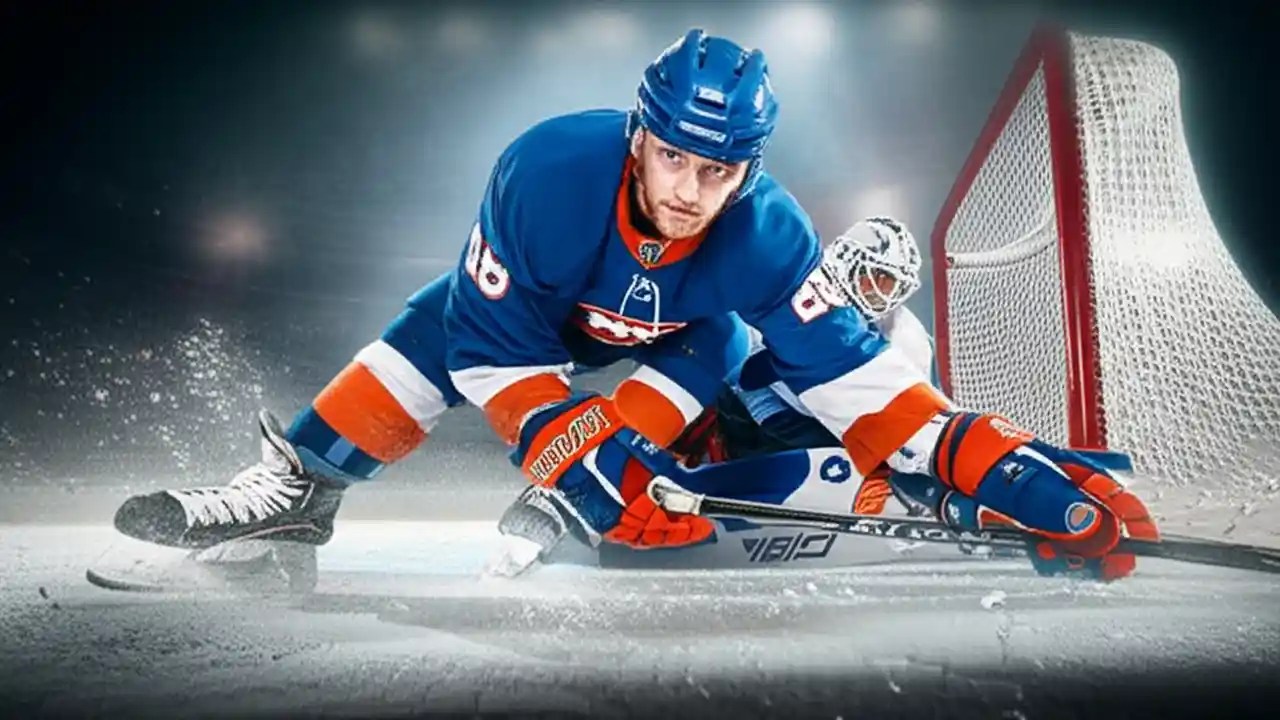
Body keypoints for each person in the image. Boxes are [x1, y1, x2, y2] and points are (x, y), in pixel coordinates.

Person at [113, 29, 1158, 586]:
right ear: (635, 137)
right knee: (435, 320)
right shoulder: (542, 171)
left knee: (726, 332)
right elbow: (486, 345)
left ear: (748, 167)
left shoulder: (771, 236)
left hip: (691, 344)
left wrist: (994, 467)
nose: (688, 193)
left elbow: (867, 393)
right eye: (672, 158)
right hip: (538, 324)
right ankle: (305, 482)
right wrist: (576, 446)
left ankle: (627, 478)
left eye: (718, 171)